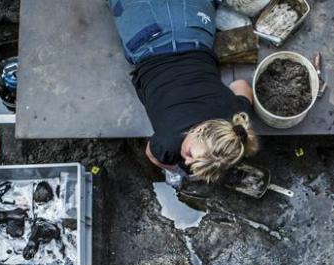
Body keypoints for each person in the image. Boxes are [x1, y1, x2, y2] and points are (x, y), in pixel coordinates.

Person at [108, 0, 259, 187]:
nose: (185, 161)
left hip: (194, 30)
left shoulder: (236, 116)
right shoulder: (169, 144)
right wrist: (175, 170)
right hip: (148, 40)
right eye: (190, 155)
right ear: (201, 130)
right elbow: (152, 155)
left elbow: (241, 85)